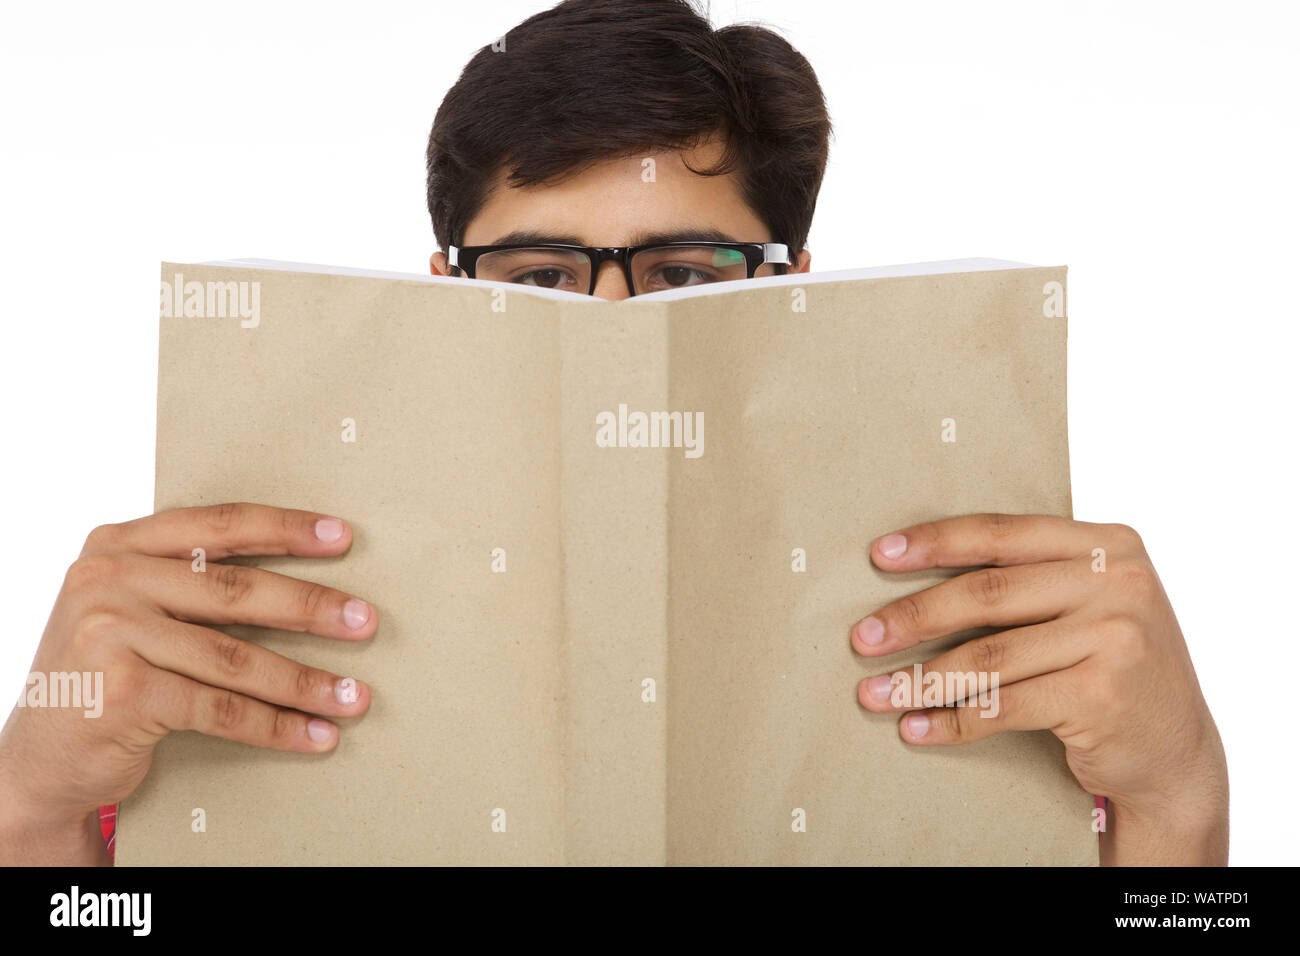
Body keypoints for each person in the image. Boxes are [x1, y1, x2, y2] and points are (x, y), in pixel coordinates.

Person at [0, 0, 1227, 866]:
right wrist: (33, 810)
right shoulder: (207, 652)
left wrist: (1178, 804)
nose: (611, 331)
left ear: (796, 284)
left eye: (688, 275)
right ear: (441, 285)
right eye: (535, 278)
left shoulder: (1011, 645)